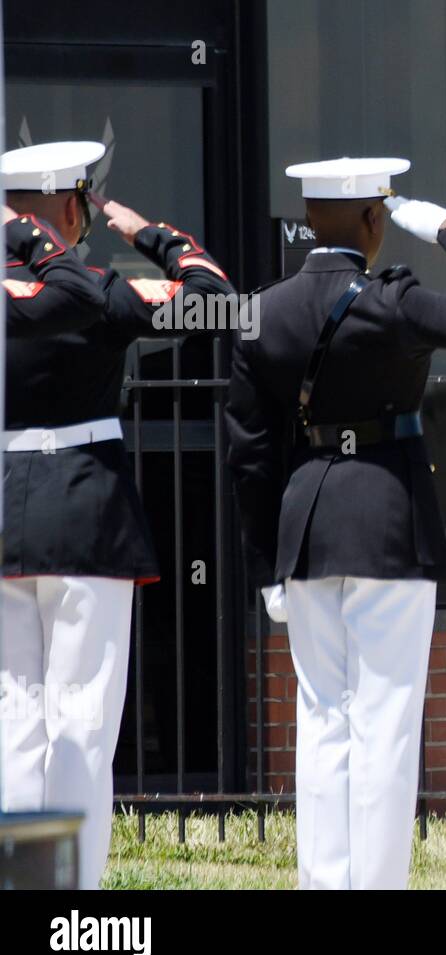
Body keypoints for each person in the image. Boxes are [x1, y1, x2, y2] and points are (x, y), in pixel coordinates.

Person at [226, 157, 446, 888]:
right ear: (376, 220)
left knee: (322, 720)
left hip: (304, 530)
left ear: (310, 219)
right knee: (384, 722)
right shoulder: (393, 303)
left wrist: (265, 560)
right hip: (388, 522)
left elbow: (250, 454)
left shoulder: (260, 311)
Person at [0, 140, 233, 889]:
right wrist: (151, 235)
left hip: (7, 517)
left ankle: (23, 887)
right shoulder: (98, 291)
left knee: (14, 724)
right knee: (82, 726)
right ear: (71, 208)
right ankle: (67, 897)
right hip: (86, 517)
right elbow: (213, 296)